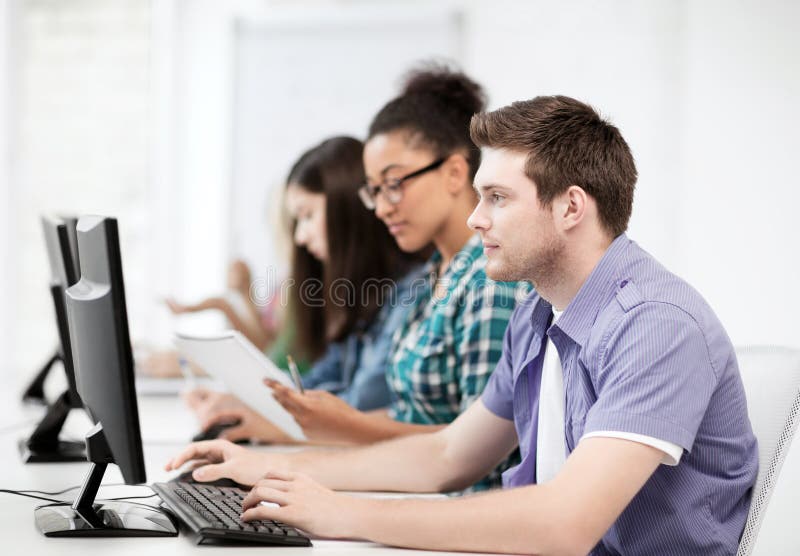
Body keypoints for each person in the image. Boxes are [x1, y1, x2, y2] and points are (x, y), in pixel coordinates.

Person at [166, 95, 758, 555]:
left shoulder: (655, 326)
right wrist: (274, 469)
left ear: (571, 207)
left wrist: (342, 513)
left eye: (497, 197)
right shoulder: (538, 311)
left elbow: (563, 524)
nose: (475, 219)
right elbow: (449, 455)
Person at [260, 66, 531, 467]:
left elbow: (483, 448)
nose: (383, 207)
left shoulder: (490, 283)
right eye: (375, 190)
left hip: (458, 504)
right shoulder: (428, 279)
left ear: (455, 172)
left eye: (395, 183)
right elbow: (408, 415)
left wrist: (349, 425)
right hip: (409, 482)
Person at [186, 136, 426, 444]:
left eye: (308, 215)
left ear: (348, 212)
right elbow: (315, 385)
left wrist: (275, 425)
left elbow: (362, 404)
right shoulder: (363, 298)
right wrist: (245, 404)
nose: (300, 236)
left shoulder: (410, 292)